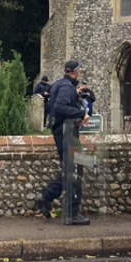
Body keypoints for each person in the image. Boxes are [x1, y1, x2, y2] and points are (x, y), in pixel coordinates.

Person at [35, 59, 90, 225]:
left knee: (71, 168)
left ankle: (46, 196)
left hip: (62, 133)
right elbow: (59, 107)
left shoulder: (59, 84)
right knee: (75, 169)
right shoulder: (67, 87)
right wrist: (81, 114)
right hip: (67, 134)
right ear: (77, 71)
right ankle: (72, 213)